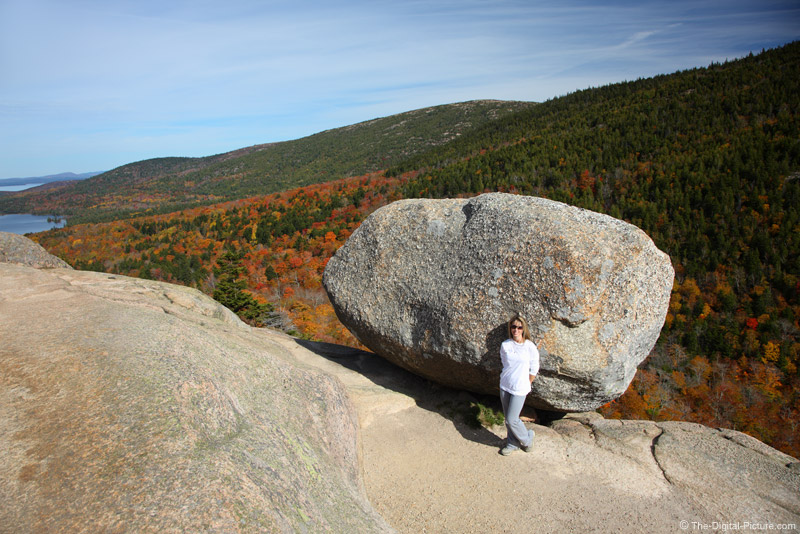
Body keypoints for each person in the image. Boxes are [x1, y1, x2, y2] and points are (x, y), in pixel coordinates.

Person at [499, 315, 540, 456]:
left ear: (523, 329)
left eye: (519, 327)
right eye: (513, 327)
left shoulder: (529, 346)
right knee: (508, 419)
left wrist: (528, 381)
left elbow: (534, 366)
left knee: (512, 419)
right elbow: (506, 364)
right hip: (505, 385)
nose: (516, 330)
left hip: (520, 388)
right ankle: (512, 443)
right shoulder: (505, 345)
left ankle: (527, 439)